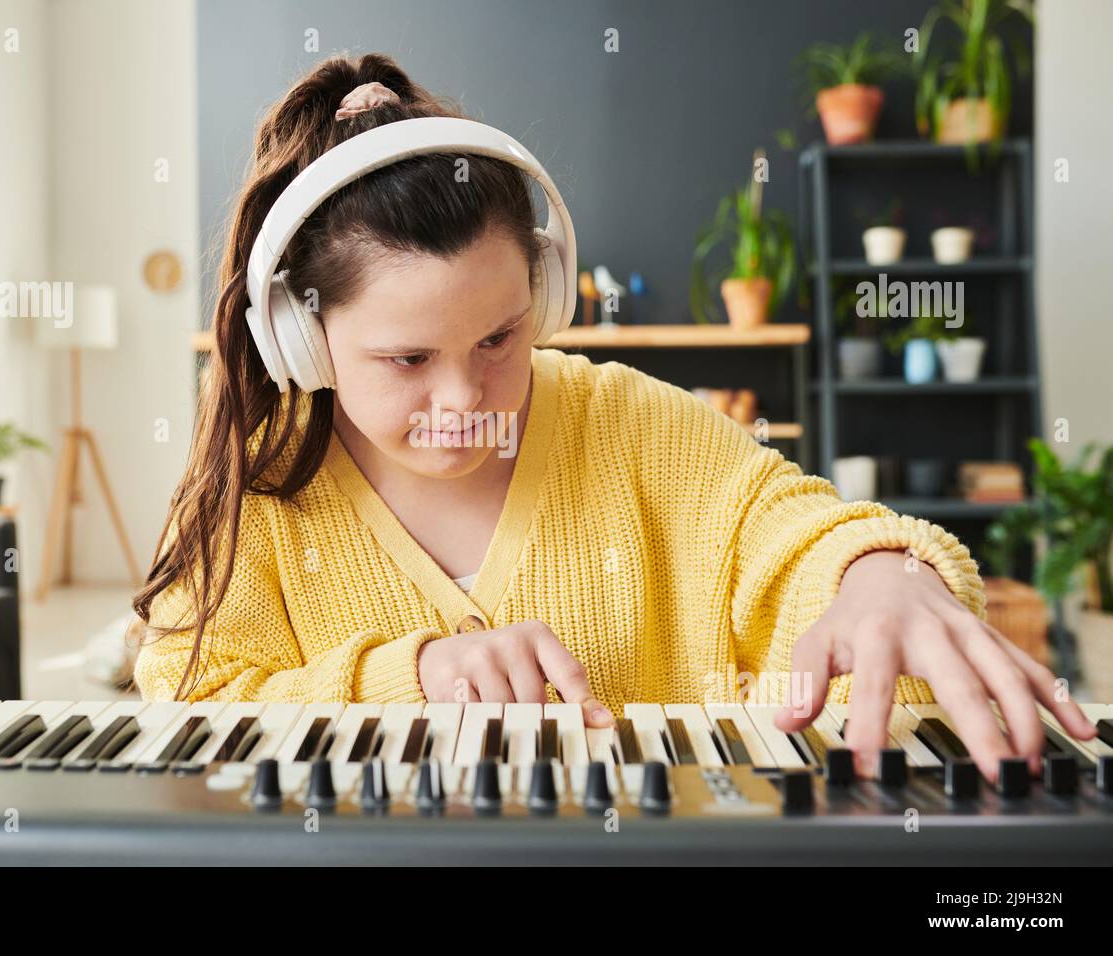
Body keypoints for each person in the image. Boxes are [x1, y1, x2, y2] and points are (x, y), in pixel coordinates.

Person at [132, 53, 1095, 781]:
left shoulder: (629, 421)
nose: (466, 400)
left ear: (544, 296)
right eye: (408, 360)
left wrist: (879, 576)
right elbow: (187, 708)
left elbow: (792, 536)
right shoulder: (251, 488)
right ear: (302, 341)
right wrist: (413, 678)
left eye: (501, 337)